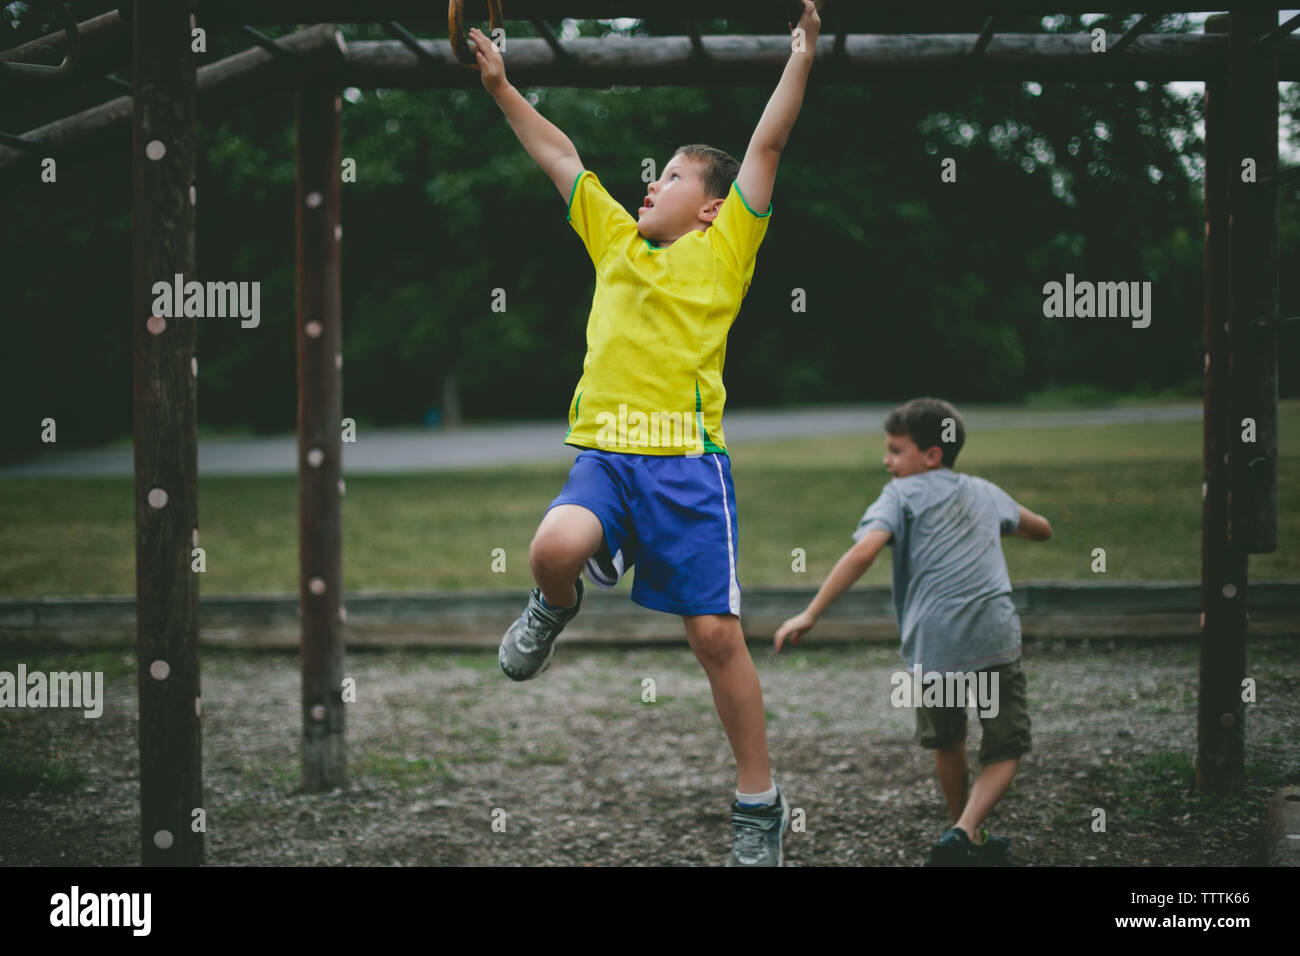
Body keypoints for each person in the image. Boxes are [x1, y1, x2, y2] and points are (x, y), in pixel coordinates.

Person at [471, 2, 822, 866]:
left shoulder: (726, 249)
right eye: (655, 175)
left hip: (689, 471)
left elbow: (768, 145)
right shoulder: (615, 242)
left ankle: (759, 803)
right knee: (552, 548)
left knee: (715, 639)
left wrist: (802, 55)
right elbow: (561, 156)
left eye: (670, 176)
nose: (651, 185)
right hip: (608, 459)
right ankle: (555, 606)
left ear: (711, 208)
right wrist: (502, 87)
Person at [774, 397, 1053, 865]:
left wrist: (810, 614)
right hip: (993, 640)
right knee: (1005, 744)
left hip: (936, 646)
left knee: (947, 739)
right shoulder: (984, 492)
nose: (886, 461)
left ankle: (961, 832)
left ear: (931, 455)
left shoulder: (899, 496)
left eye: (895, 450)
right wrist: (998, 527)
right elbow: (1042, 529)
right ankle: (966, 834)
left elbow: (864, 552)